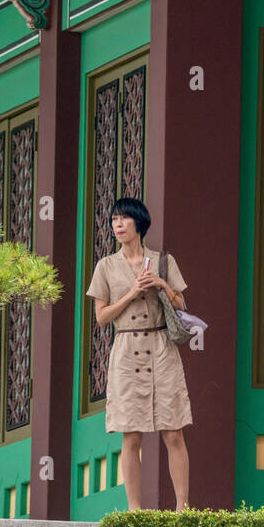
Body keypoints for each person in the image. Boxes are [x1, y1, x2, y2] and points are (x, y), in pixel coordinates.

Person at [86, 197, 192, 510]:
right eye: (114, 220)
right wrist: (132, 293)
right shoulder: (106, 266)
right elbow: (102, 317)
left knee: (173, 432)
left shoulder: (162, 261)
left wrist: (161, 284)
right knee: (130, 436)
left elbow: (182, 305)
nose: (117, 225)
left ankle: (183, 507)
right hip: (127, 350)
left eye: (124, 219)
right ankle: (134, 509)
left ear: (139, 223)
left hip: (161, 349)